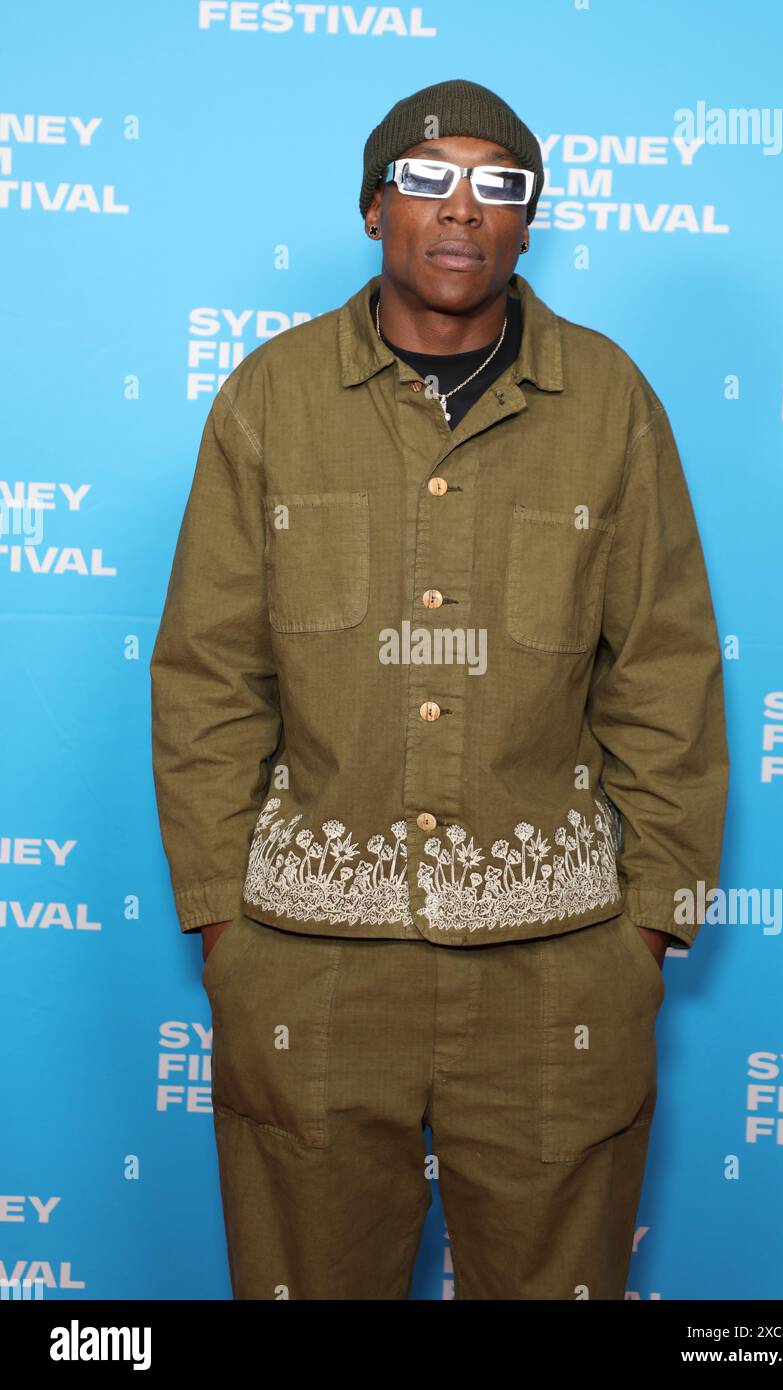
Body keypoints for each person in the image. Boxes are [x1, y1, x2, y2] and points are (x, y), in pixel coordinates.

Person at [150, 77, 729, 1300]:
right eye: (425, 179)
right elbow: (208, 673)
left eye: (496, 186)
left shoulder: (609, 401)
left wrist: (643, 927)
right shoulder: (270, 397)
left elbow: (663, 675)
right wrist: (222, 918)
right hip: (307, 962)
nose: (459, 209)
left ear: (529, 222)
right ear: (371, 209)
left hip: (555, 966)